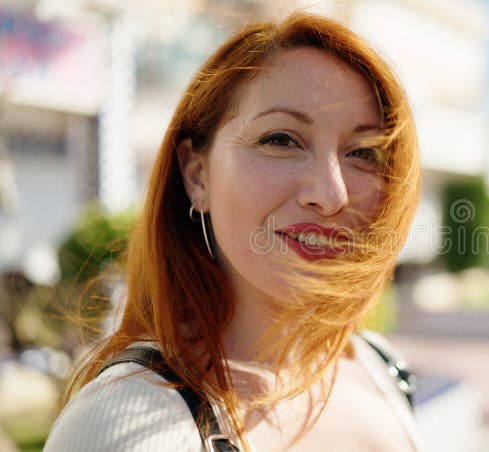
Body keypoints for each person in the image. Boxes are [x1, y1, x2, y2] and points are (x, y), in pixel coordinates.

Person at [44, 12, 421, 452]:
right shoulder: (127, 423)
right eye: (281, 139)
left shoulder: (381, 367)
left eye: (362, 152)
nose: (332, 194)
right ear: (196, 174)